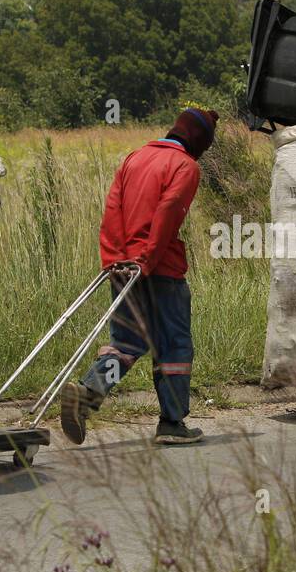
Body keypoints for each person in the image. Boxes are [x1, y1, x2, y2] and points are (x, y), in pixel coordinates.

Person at [59, 108, 218, 445]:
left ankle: (89, 392)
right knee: (173, 346)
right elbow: (169, 210)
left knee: (127, 344)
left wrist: (114, 258)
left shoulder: (136, 157)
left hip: (123, 265)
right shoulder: (186, 166)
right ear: (198, 141)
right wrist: (148, 259)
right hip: (160, 269)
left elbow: (113, 207)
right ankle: (172, 423)